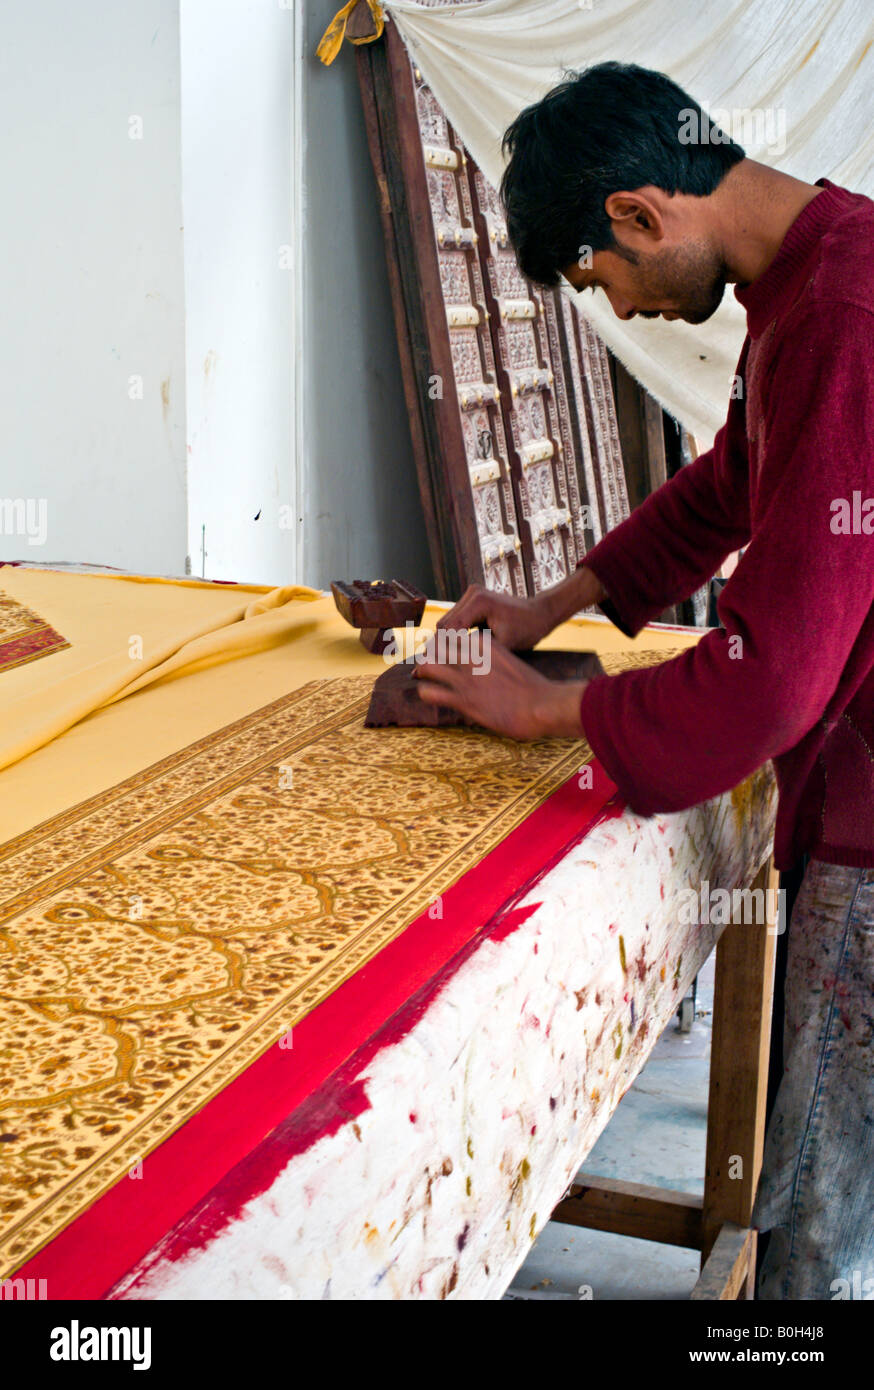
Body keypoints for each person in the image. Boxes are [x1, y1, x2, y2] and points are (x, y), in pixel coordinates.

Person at [413, 62, 874, 1301]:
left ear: (636, 212)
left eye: (597, 277)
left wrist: (552, 703)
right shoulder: (816, 266)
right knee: (813, 1175)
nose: (616, 306)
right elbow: (731, 484)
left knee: (812, 1230)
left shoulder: (843, 312)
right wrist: (547, 610)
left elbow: (774, 675)